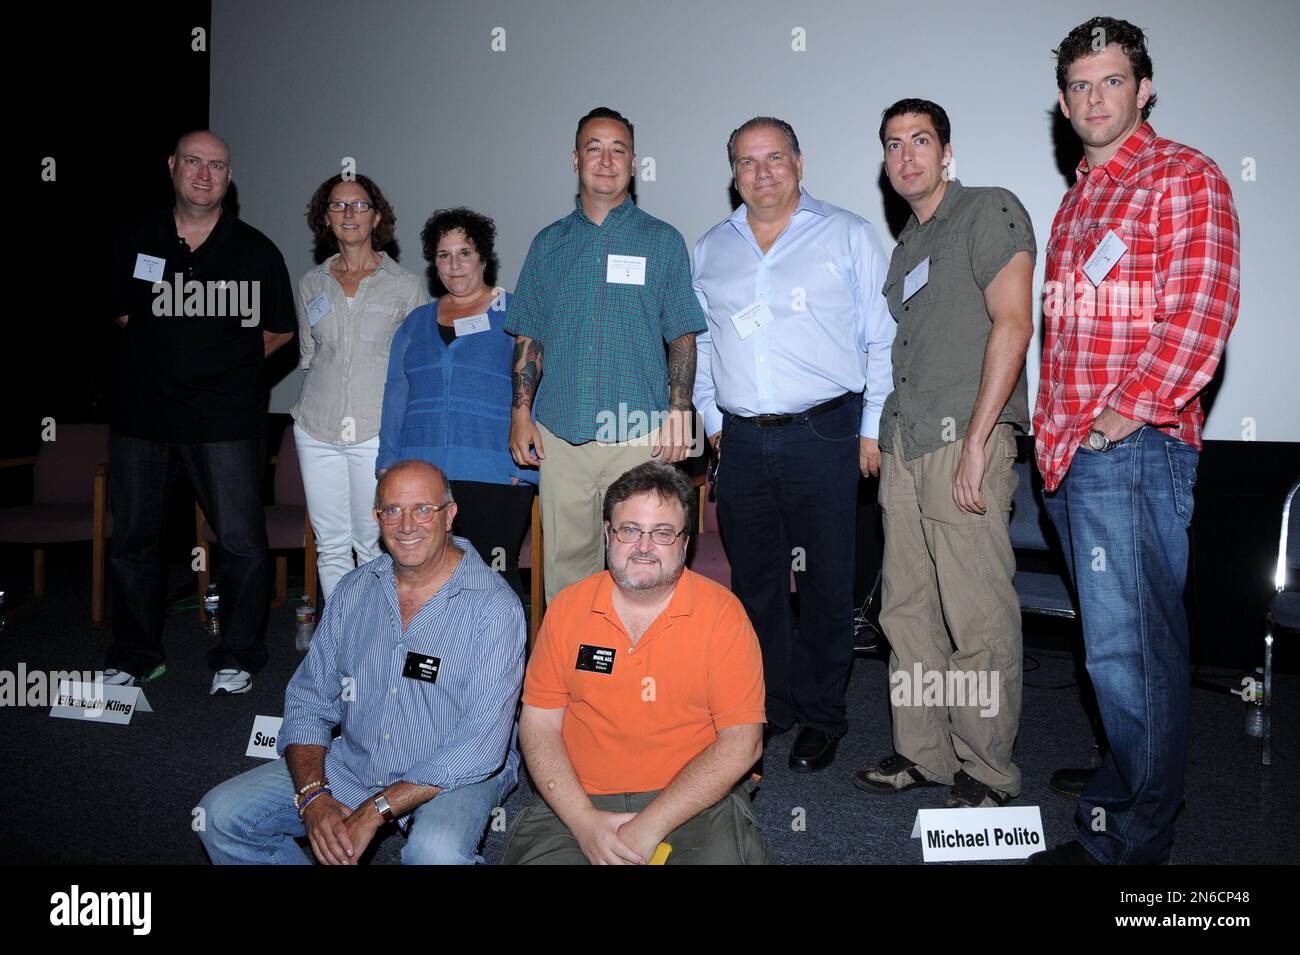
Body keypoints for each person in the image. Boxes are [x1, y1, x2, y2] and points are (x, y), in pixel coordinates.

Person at [1029, 17, 1240, 864]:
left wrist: (1127, 416)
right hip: (1073, 459)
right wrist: (1054, 440)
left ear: (1143, 88)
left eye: (1111, 81)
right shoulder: (1078, 198)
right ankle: (1125, 784)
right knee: (1111, 652)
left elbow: (1203, 311)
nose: (1094, 98)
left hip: (1133, 453)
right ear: (1062, 99)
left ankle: (1128, 846)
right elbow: (1066, 341)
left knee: (1133, 653)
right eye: (1080, 85)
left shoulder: (1181, 175)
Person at [197, 460, 526, 865]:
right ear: (377, 518)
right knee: (220, 816)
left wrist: (375, 810)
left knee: (436, 852)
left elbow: (480, 746)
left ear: (449, 516)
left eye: (423, 509)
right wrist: (314, 796)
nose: (407, 525)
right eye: (393, 510)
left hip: (458, 771)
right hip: (358, 758)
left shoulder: (494, 606)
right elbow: (308, 698)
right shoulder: (355, 590)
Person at [692, 117, 894, 773]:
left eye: (774, 158)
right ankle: (769, 707)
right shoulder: (710, 249)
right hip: (742, 439)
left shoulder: (847, 234)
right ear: (734, 174)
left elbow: (882, 337)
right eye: (747, 162)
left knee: (827, 582)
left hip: (826, 430)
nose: (762, 172)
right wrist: (710, 420)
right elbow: (699, 346)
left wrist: (871, 427)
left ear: (799, 163)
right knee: (755, 587)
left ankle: (822, 715)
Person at [852, 100, 1035, 808]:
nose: (906, 156)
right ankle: (923, 753)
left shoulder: (990, 211)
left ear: (947, 150)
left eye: (920, 141)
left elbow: (1014, 323)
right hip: (907, 443)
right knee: (907, 610)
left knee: (976, 614)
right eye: (893, 144)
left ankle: (987, 770)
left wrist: (979, 441)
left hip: (966, 439)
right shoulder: (906, 244)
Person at [502, 462, 771, 864]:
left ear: (685, 543)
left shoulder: (723, 616)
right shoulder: (566, 610)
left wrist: (646, 829)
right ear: (608, 534)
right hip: (578, 797)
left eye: (662, 532)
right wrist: (585, 825)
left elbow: (742, 744)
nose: (644, 546)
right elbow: (538, 725)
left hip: (691, 798)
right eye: (630, 530)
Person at [105, 130, 295, 696]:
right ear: (172, 166)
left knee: (240, 542)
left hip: (226, 424)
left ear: (229, 177)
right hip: (143, 420)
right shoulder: (137, 238)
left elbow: (280, 329)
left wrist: (222, 367)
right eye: (194, 162)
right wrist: (168, 359)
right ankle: (136, 654)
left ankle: (238, 654)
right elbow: (120, 313)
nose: (205, 174)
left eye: (217, 165)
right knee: (133, 542)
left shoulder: (255, 250)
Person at [505, 106, 707, 604]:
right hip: (560, 438)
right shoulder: (548, 244)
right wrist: (520, 412)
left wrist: (681, 411)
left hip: (639, 435)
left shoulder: (662, 241)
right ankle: (574, 680)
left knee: (643, 568)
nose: (606, 159)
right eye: (594, 148)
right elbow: (529, 337)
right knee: (567, 575)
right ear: (576, 160)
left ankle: (640, 673)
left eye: (618, 149)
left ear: (634, 163)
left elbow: (683, 333)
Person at [379, 208, 536, 599]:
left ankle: (502, 661)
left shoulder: (516, 313)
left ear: (483, 257)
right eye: (444, 255)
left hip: (496, 472)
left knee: (494, 580)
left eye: (464, 253)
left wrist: (528, 469)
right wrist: (387, 463)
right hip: (421, 476)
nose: (455, 264)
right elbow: (396, 391)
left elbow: (537, 391)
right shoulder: (416, 322)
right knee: (424, 580)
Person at [293, 173, 428, 605]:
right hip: (316, 428)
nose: (348, 213)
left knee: (374, 544)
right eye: (337, 205)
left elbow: (417, 365)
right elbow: (310, 354)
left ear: (376, 217)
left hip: (376, 432)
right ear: (325, 218)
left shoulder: (404, 285)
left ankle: (380, 643)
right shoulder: (310, 283)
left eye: (359, 205)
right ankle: (341, 646)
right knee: (331, 545)